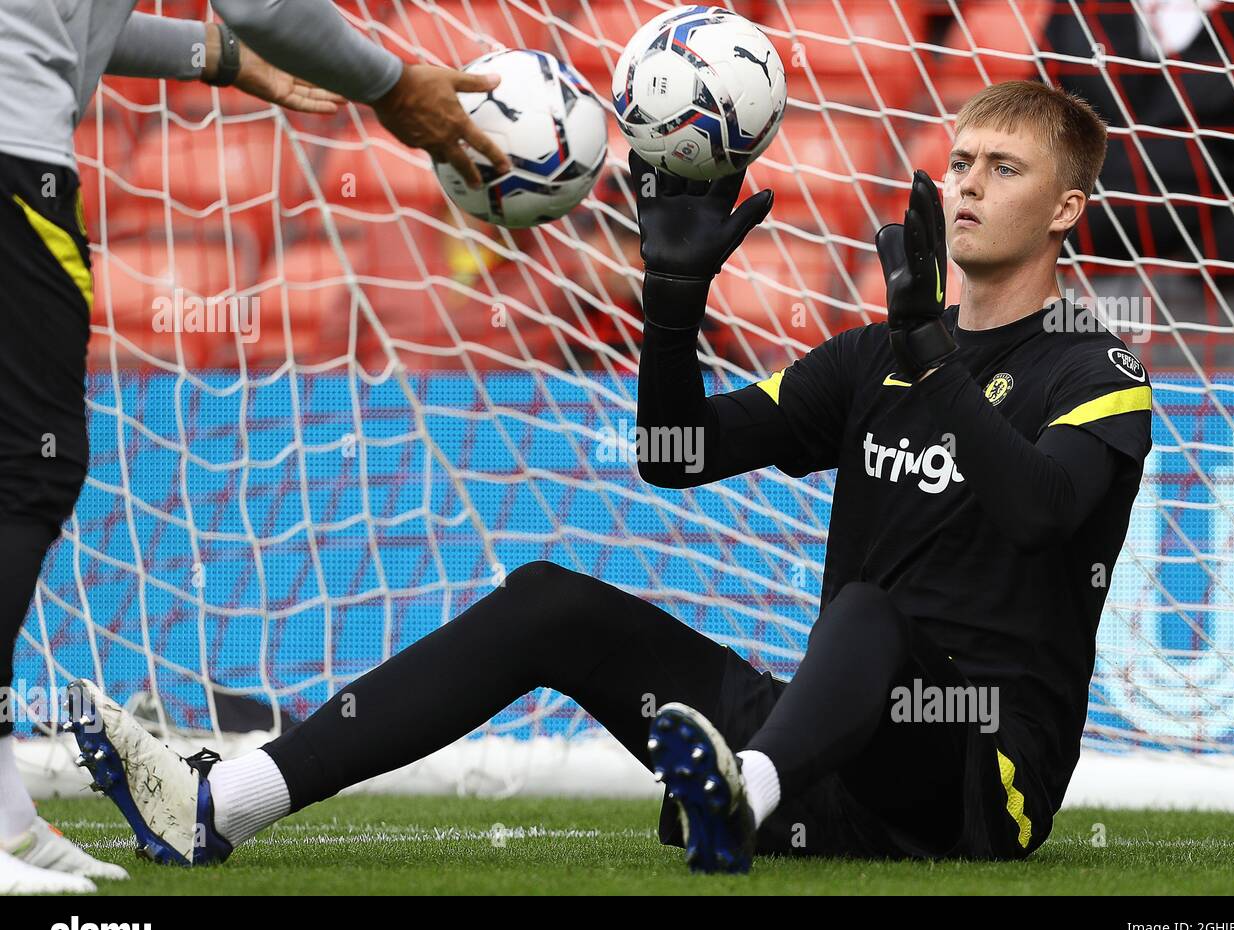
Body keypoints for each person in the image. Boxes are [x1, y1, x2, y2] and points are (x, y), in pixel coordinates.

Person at [65, 79, 1152, 875]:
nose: (964, 187)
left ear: (1066, 209)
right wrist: (671, 307)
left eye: (1001, 169)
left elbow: (1038, 511)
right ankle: (220, 804)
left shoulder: (1095, 371)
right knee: (548, 601)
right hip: (825, 759)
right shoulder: (873, 356)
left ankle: (748, 798)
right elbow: (675, 457)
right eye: (959, 162)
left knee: (870, 610)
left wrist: (929, 353)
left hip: (971, 776)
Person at [0, 0, 508, 895]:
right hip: (13, 165)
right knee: (27, 472)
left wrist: (218, 57)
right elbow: (264, 3)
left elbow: (74, 20)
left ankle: (5, 818)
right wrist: (391, 87)